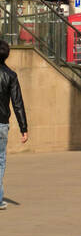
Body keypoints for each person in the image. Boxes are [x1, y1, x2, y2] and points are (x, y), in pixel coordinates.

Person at [0, 39, 29, 210]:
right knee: (0, 160)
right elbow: (18, 103)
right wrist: (23, 128)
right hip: (2, 123)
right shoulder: (11, 75)